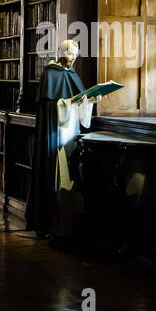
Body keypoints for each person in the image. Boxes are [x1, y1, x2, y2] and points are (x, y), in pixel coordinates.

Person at [27, 40, 95, 238]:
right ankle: (47, 223)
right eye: (70, 54)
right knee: (52, 170)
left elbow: (78, 98)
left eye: (75, 55)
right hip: (54, 130)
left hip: (70, 131)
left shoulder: (72, 73)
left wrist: (89, 100)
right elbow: (50, 106)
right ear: (62, 54)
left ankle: (67, 223)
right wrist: (69, 102)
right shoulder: (50, 72)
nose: (73, 59)